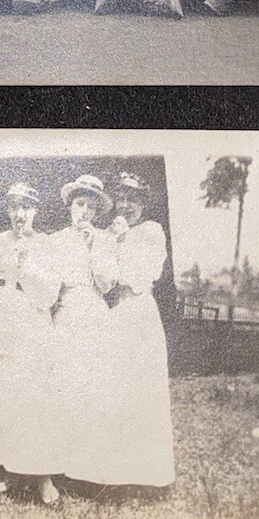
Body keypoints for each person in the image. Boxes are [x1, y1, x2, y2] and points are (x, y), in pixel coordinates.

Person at [0, 182, 62, 505]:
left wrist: (24, 268)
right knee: (3, 395)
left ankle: (43, 477)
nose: (20, 214)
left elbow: (49, 294)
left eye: (27, 207)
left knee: (34, 398)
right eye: (15, 207)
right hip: (2, 316)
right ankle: (2, 469)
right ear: (7, 210)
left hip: (32, 321)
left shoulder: (46, 244)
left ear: (36, 211)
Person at [98, 172, 175, 488]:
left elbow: (141, 275)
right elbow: (104, 279)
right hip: (115, 312)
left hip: (140, 311)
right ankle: (115, 473)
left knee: (142, 388)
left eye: (132, 199)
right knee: (115, 389)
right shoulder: (112, 232)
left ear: (143, 203)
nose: (125, 205)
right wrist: (112, 241)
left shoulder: (151, 232)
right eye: (121, 199)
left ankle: (146, 475)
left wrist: (121, 239)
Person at [45, 174, 120, 489]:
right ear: (70, 206)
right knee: (65, 386)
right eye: (79, 204)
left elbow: (107, 284)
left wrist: (93, 248)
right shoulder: (56, 240)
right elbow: (49, 286)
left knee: (93, 387)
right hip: (65, 314)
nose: (84, 212)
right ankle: (63, 467)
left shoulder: (103, 239)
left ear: (97, 212)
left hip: (94, 312)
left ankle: (91, 467)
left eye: (91, 207)